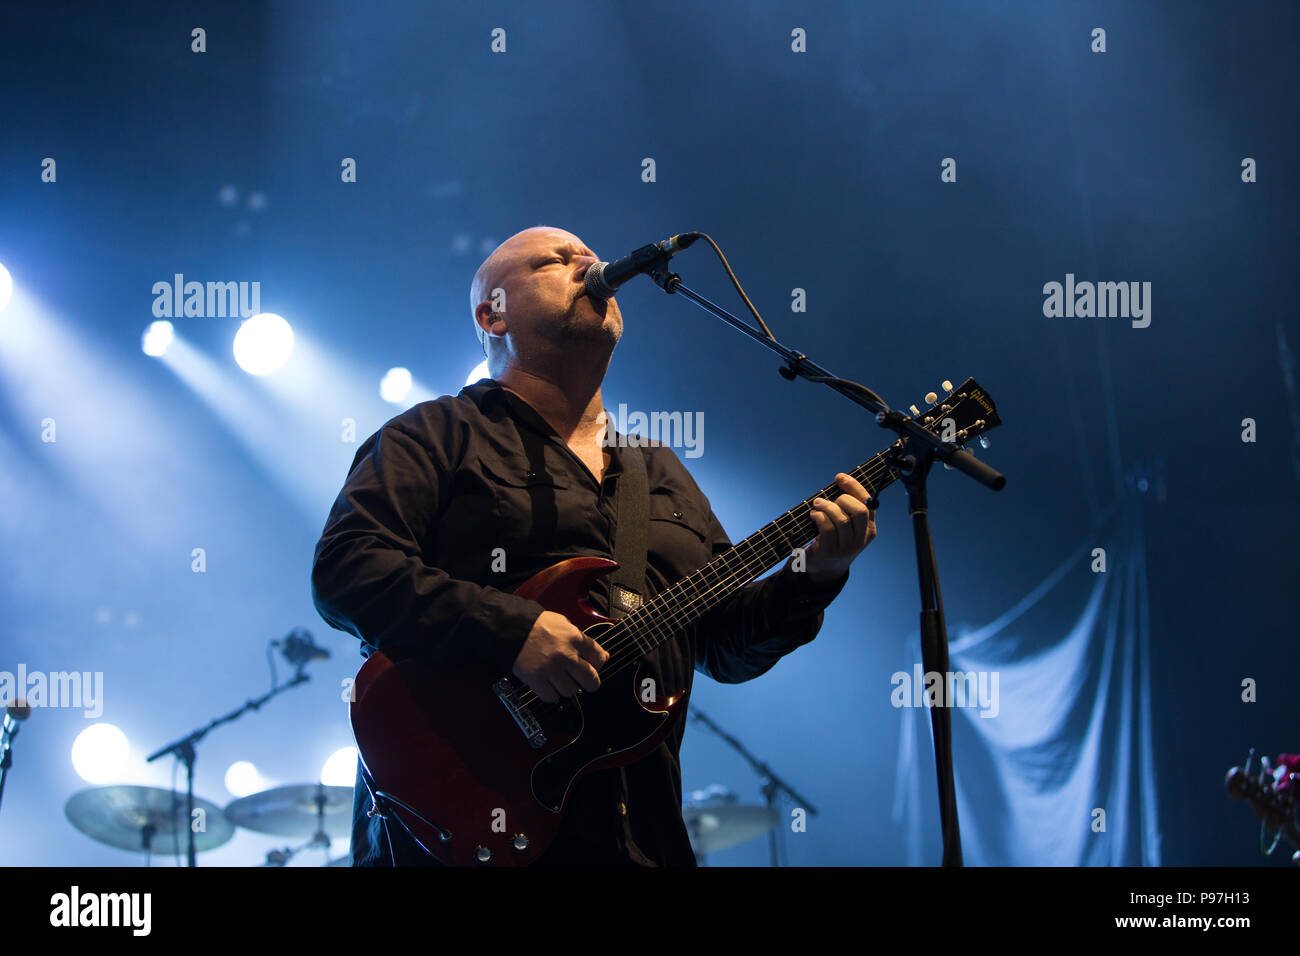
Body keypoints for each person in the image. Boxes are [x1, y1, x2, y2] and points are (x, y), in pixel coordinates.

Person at [311, 226, 878, 866]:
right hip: (458, 821)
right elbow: (347, 569)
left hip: (640, 835)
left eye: (589, 253)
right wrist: (509, 631)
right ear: (491, 314)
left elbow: (721, 645)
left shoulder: (658, 471)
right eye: (556, 260)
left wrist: (815, 577)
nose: (589, 261)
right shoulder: (434, 435)